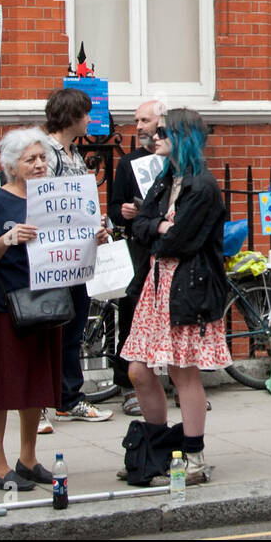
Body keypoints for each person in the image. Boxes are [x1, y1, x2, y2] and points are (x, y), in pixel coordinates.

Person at [0, 128, 109, 490]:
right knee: (2, 385)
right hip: (8, 306)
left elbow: (73, 247)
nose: (38, 164)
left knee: (36, 382)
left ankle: (28, 457)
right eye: (30, 159)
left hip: (49, 303)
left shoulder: (58, 198)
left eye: (41, 158)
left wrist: (92, 239)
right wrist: (7, 238)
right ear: (11, 166)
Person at [123, 109, 231, 484]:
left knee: (182, 373)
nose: (156, 136)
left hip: (185, 288)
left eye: (165, 131)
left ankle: (194, 456)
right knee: (138, 369)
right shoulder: (168, 178)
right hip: (156, 287)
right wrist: (158, 224)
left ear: (183, 137)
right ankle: (158, 449)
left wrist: (159, 229)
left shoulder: (202, 186)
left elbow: (178, 242)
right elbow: (138, 226)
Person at [39, 87, 113, 433]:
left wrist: (95, 228)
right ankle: (39, 402)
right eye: (85, 113)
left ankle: (68, 398)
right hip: (51, 259)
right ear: (70, 117)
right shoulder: (47, 154)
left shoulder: (74, 155)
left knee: (73, 328)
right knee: (46, 331)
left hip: (75, 258)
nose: (89, 119)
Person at [108, 98, 167, 416]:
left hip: (169, 248)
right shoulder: (129, 162)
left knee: (170, 316)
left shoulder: (175, 162)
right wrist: (124, 212)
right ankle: (128, 384)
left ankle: (175, 381)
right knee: (132, 314)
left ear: (161, 121)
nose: (139, 126)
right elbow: (114, 209)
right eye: (137, 121)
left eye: (144, 120)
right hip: (139, 247)